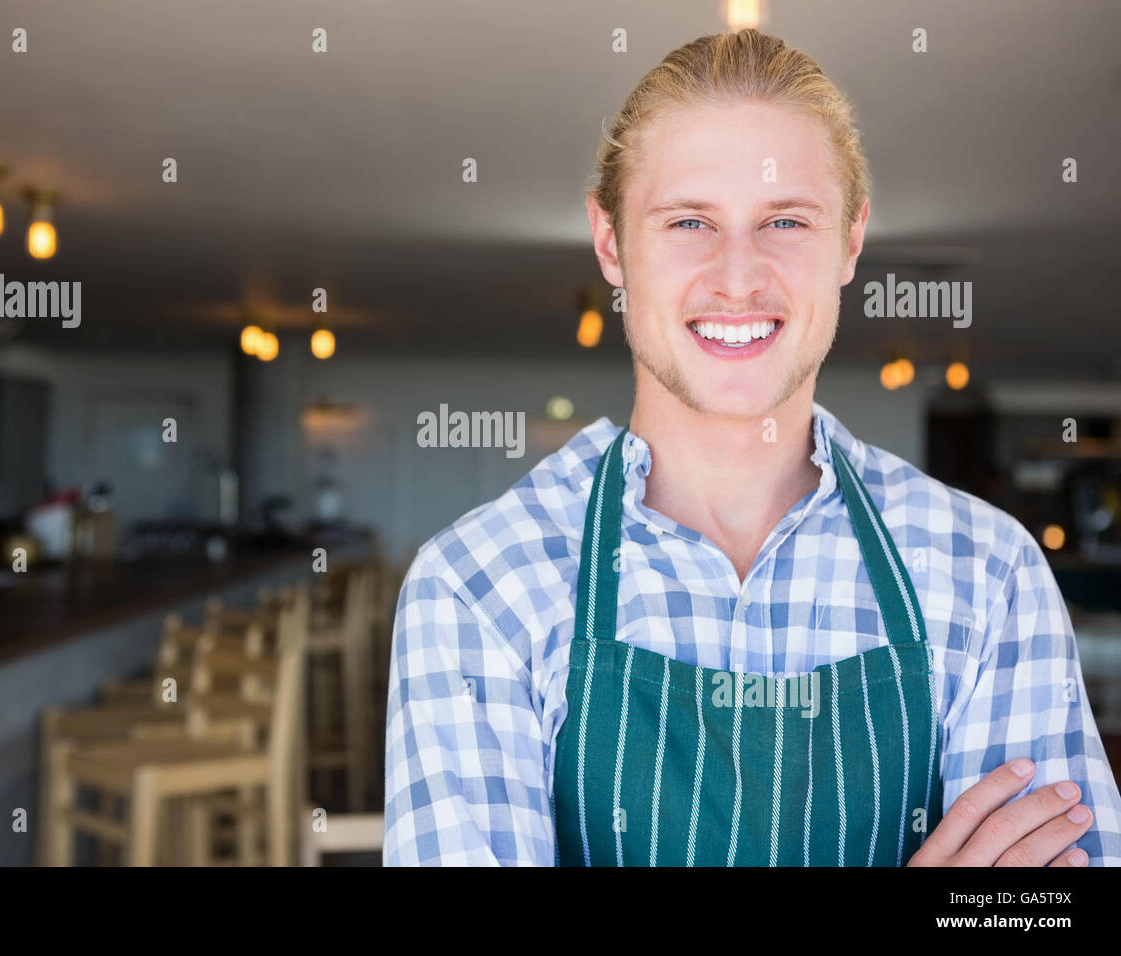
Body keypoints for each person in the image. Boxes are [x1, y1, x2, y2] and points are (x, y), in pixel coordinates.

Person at [382, 28, 1121, 866]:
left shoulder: (988, 576)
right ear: (611, 242)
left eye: (786, 221)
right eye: (690, 220)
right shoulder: (481, 587)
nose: (739, 277)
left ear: (849, 241)